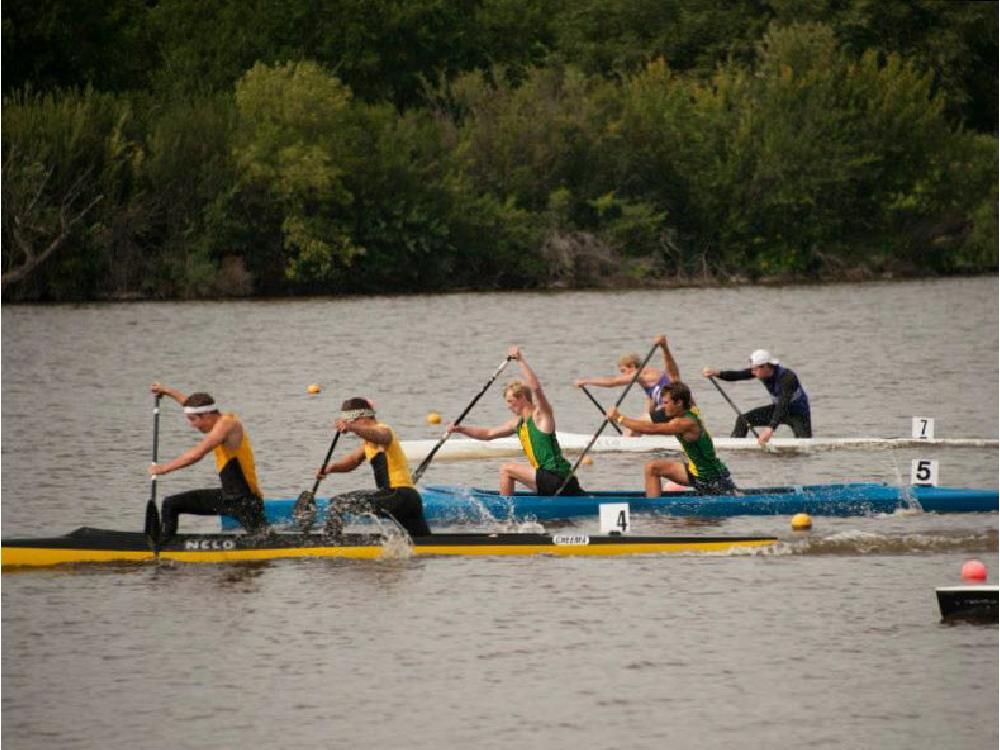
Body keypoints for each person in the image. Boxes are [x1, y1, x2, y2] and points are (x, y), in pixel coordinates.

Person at [447, 346, 583, 496]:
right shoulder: (518, 423)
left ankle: (505, 512)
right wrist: (460, 429)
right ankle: (509, 506)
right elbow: (488, 433)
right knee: (509, 471)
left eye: (510, 401)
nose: (508, 407)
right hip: (548, 479)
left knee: (506, 469)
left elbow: (537, 389)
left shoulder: (541, 416)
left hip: (560, 479)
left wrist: (520, 360)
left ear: (523, 398)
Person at [148, 383, 267, 542]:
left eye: (193, 420)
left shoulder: (227, 425)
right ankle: (165, 543)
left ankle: (164, 549)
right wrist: (168, 391)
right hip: (229, 497)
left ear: (207, 415)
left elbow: (196, 454)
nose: (192, 425)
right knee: (171, 504)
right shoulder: (214, 418)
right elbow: (191, 405)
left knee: (263, 540)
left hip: (245, 501)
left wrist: (163, 469)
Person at [317, 397, 431, 537]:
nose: (351, 426)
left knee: (337, 503)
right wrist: (330, 468)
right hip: (409, 499)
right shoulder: (368, 442)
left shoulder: (383, 430)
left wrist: (352, 427)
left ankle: (330, 542)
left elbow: (382, 437)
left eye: (351, 421)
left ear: (362, 417)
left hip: (397, 495)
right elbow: (353, 460)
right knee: (423, 541)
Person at [607, 381, 737, 498]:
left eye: (666, 403)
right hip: (697, 471)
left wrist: (619, 418)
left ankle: (657, 509)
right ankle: (654, 509)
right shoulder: (691, 408)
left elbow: (651, 429)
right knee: (652, 468)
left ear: (679, 403)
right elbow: (676, 380)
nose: (663, 407)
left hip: (710, 479)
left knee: (693, 524)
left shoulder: (685, 423)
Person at [702, 349, 811, 445]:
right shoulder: (760, 371)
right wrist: (717, 373)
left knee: (804, 448)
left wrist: (770, 429)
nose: (752, 372)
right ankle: (735, 448)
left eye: (755, 369)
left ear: (766, 366)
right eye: (752, 369)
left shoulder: (787, 377)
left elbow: (783, 403)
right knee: (743, 420)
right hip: (779, 410)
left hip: (798, 414)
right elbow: (738, 375)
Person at [574, 335, 682, 427]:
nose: (623, 375)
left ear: (632, 366)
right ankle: (632, 443)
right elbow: (650, 409)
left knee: (633, 425)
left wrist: (586, 381)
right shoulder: (648, 386)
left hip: (674, 410)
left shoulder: (642, 373)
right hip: (669, 412)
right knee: (637, 425)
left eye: (623, 371)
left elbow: (613, 382)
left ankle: (625, 444)